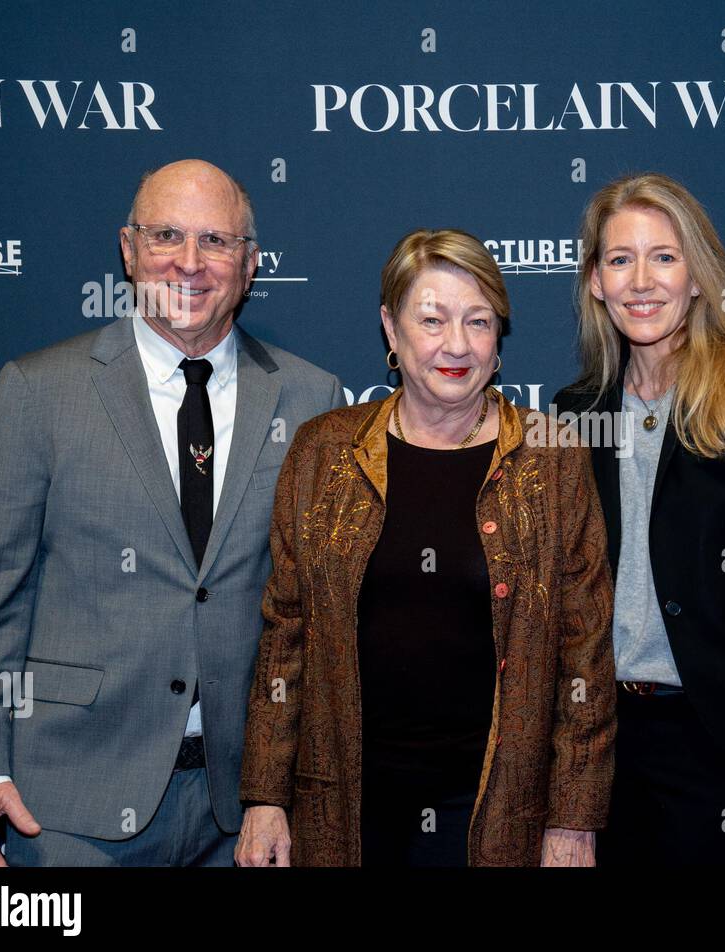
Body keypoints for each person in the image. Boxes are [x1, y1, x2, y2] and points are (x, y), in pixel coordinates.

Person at [0, 160, 344, 865]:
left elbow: (319, 612)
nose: (189, 263)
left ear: (249, 265)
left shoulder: (311, 399)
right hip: (64, 803)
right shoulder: (40, 390)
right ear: (128, 250)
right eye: (166, 236)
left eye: (216, 242)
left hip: (245, 810)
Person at [236, 229, 615, 867]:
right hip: (346, 805)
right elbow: (285, 635)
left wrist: (574, 820)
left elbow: (586, 650)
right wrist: (266, 796)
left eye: (479, 321)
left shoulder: (554, 457)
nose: (457, 345)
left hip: (498, 807)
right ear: (391, 328)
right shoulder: (322, 451)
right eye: (432, 319)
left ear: (499, 339)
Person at [554, 173, 725, 865]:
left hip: (718, 734)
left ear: (699, 276)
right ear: (595, 281)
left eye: (664, 257)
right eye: (620, 259)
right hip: (602, 740)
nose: (641, 281)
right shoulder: (576, 413)